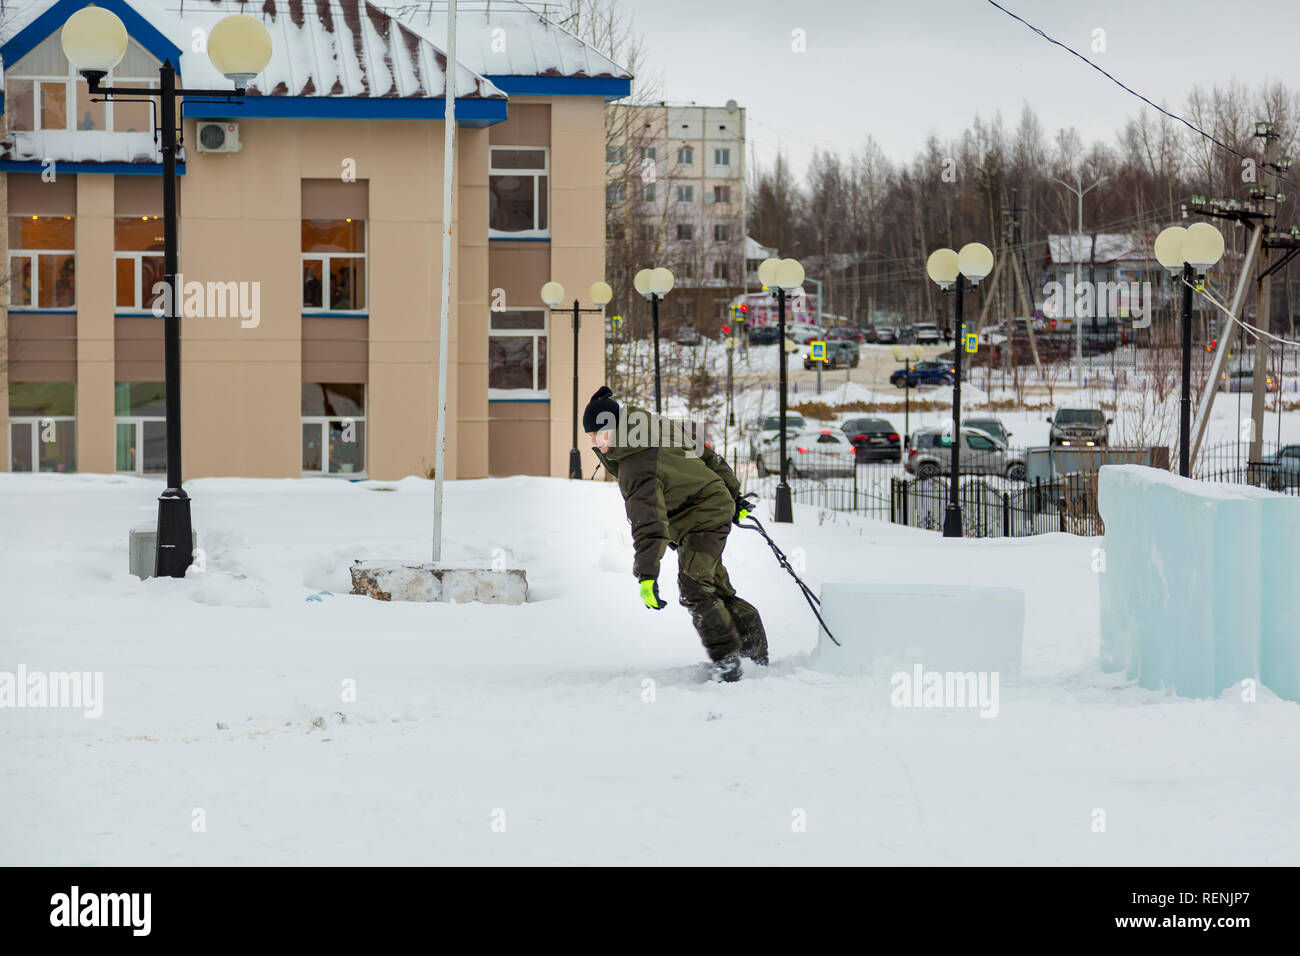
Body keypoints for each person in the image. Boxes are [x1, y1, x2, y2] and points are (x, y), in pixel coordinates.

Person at [584, 385, 768, 682]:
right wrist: (733, 496)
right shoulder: (655, 426)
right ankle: (754, 655)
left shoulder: (636, 464)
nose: (594, 442)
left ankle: (728, 663)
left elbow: (649, 523)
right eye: (591, 436)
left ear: (615, 428)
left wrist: (646, 575)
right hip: (703, 511)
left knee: (694, 586)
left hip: (702, 517)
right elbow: (708, 457)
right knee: (712, 586)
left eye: (599, 434)